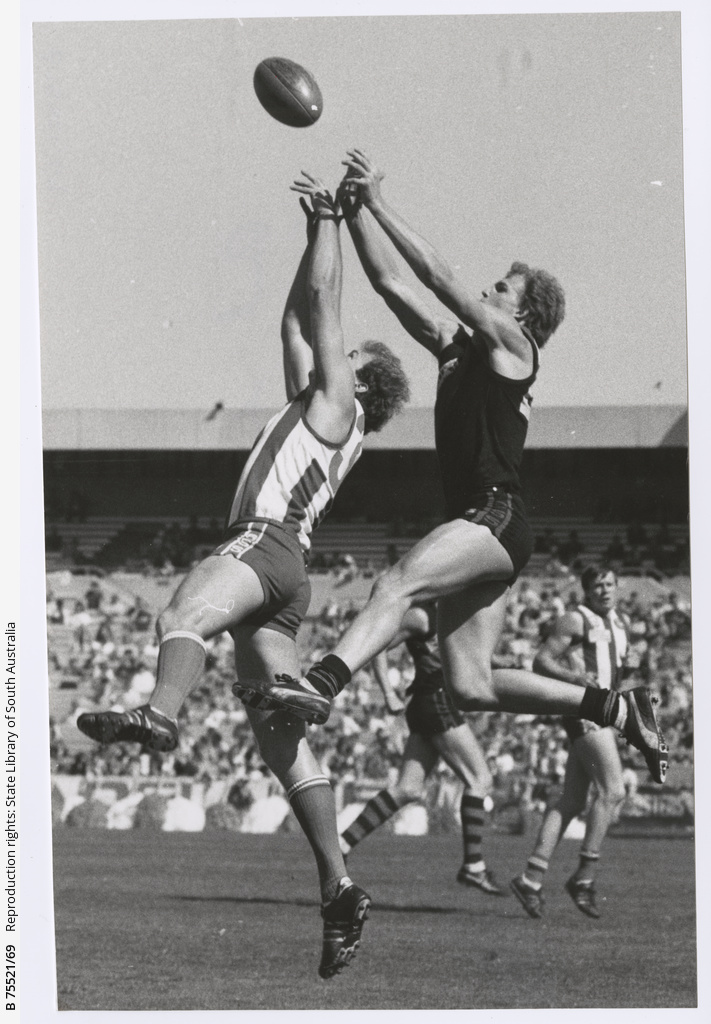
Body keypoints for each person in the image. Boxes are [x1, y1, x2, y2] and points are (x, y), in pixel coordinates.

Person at [235, 148, 669, 787]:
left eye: (503, 287)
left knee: (395, 585)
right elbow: (391, 284)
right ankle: (612, 705)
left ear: (520, 315)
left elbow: (441, 279)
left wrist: (380, 201)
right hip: (488, 526)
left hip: (496, 513)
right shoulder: (455, 350)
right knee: (469, 685)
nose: (491, 287)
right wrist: (352, 213)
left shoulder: (514, 347)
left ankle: (321, 682)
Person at [77, 175, 410, 978]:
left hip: (262, 544)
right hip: (287, 577)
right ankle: (338, 885)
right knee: (281, 739)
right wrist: (309, 234)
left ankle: (160, 713)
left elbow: (326, 305)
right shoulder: (324, 406)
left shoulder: (339, 402)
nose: (341, 348)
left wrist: (333, 223)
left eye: (353, 354)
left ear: (360, 379)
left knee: (181, 615)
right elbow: (300, 316)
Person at [340, 601, 505, 895]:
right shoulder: (422, 614)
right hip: (434, 698)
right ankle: (474, 866)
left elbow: (464, 657)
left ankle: (340, 845)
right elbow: (376, 645)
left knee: (407, 789)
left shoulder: (452, 611)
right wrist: (388, 693)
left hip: (430, 701)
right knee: (480, 780)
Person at [510, 566, 631, 919]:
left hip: (602, 713)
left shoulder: (620, 624)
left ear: (616, 586)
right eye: (598, 585)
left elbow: (611, 674)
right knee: (613, 791)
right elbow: (541, 659)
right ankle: (584, 876)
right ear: (587, 590)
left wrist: (631, 670)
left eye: (610, 583)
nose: (605, 590)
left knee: (572, 799)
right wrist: (573, 676)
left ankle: (531, 878)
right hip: (582, 711)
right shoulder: (575, 620)